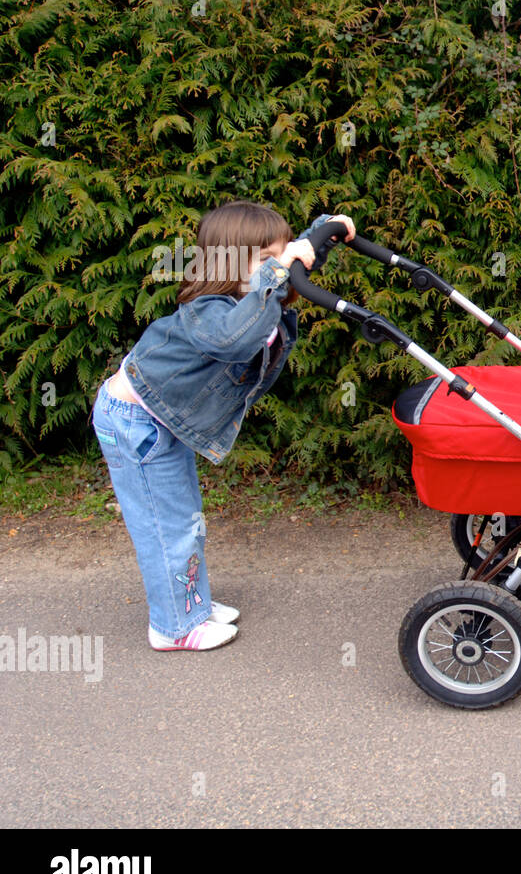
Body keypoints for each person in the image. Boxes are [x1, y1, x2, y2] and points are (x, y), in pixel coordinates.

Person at [92, 201, 355, 651]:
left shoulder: (250, 295)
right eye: (267, 259)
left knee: (186, 521)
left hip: (157, 420)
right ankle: (174, 627)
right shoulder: (210, 311)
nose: (279, 267)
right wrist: (279, 269)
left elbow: (290, 271)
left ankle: (188, 603)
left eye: (281, 255)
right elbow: (237, 340)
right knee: (166, 527)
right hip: (136, 422)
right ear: (226, 261)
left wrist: (321, 234)